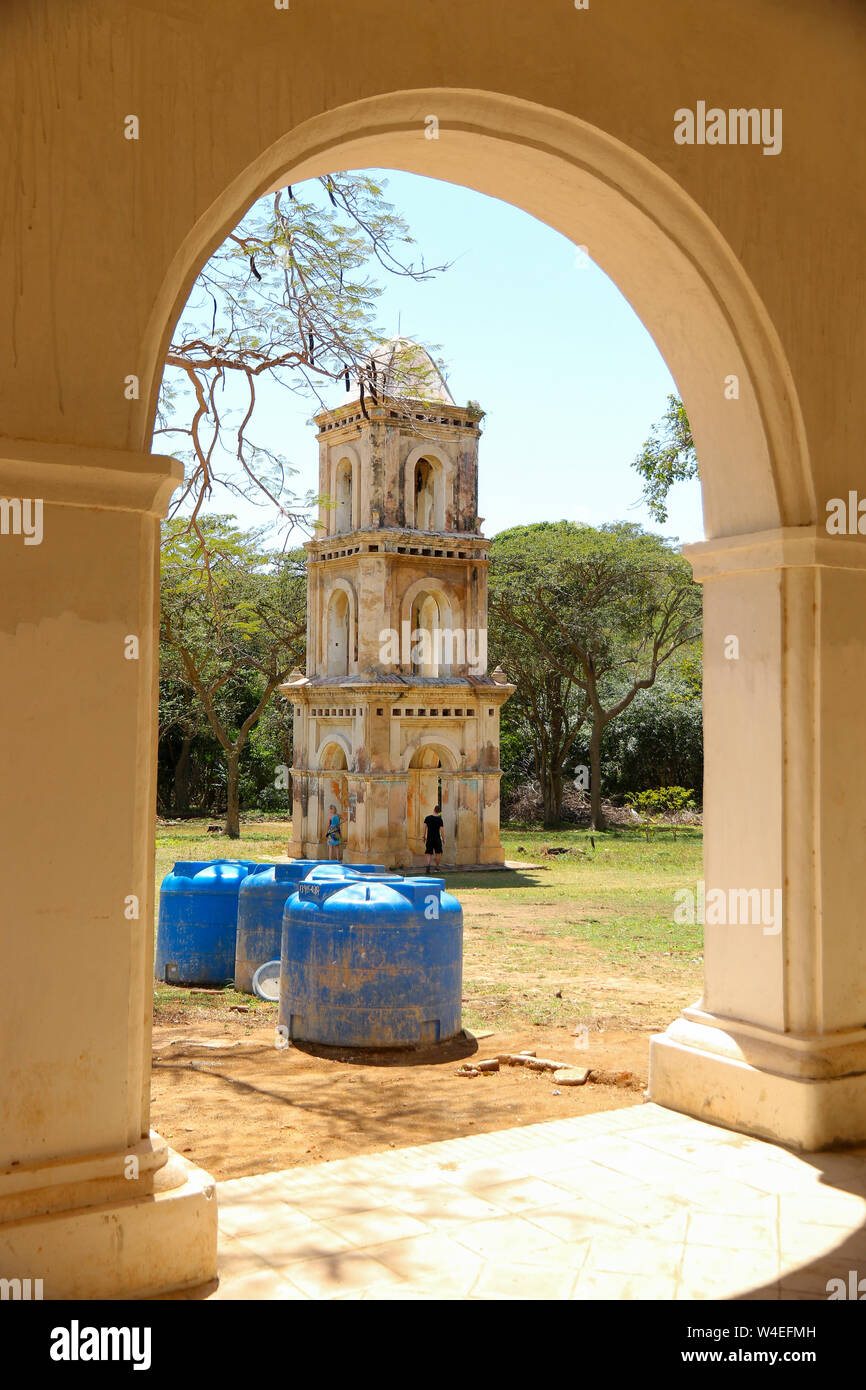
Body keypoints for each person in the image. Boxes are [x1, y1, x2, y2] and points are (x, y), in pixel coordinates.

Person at [423, 803, 445, 873]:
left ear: (434, 810)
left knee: (428, 853)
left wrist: (423, 836)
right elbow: (442, 831)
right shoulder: (440, 820)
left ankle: (428, 866)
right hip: (437, 839)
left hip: (429, 838)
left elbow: (424, 828)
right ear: (439, 812)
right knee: (438, 853)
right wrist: (443, 839)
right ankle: (436, 868)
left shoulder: (427, 818)